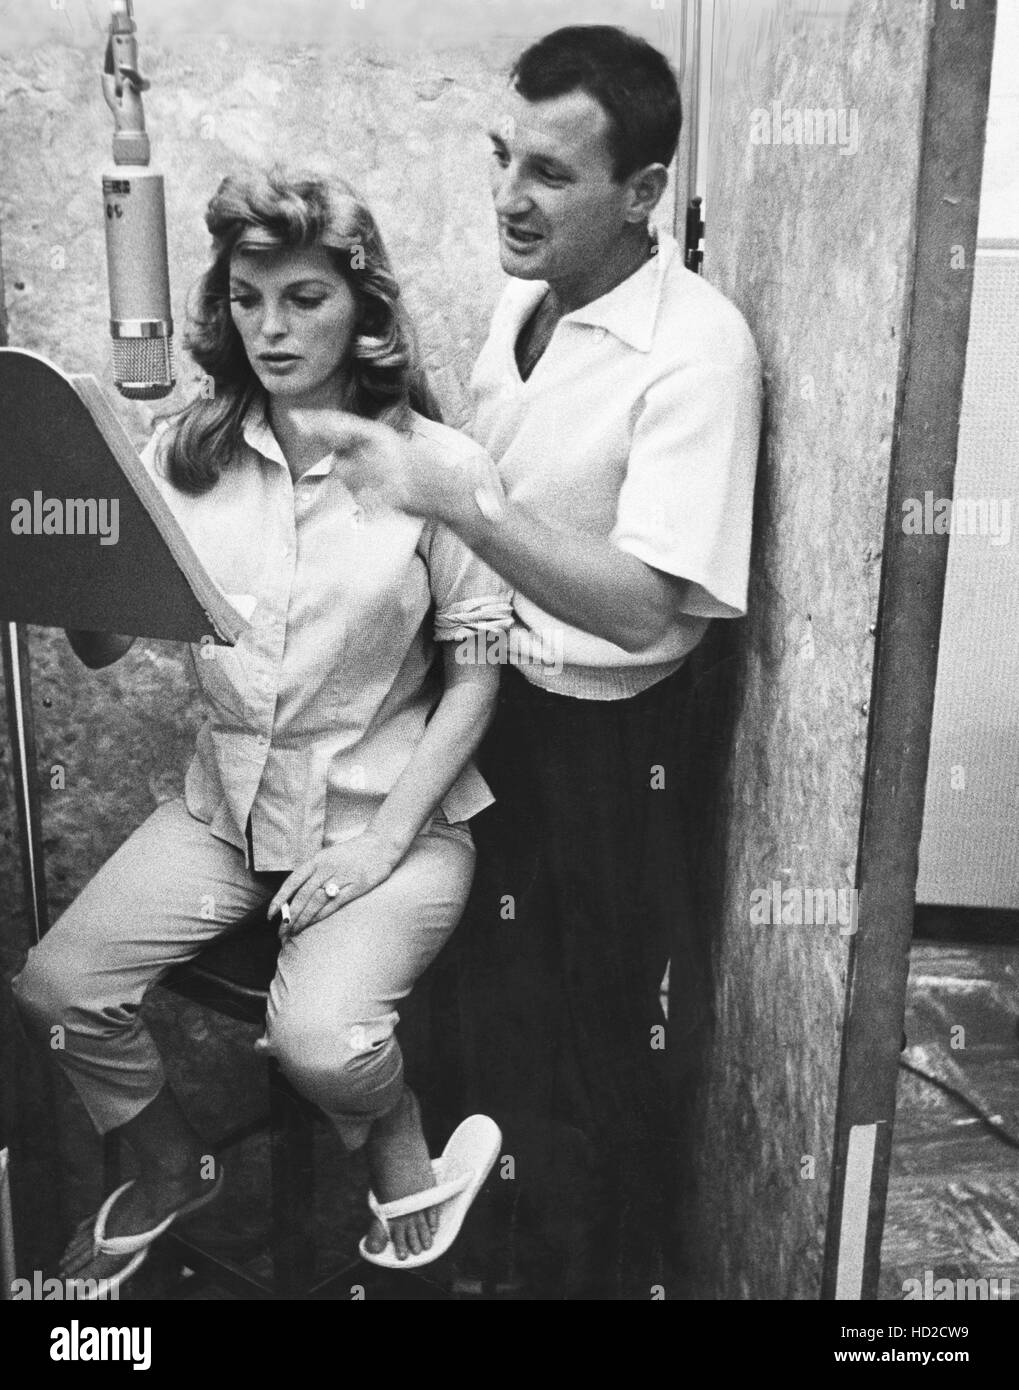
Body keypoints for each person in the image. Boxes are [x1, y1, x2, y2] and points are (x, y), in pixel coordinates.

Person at [12, 168, 511, 1291]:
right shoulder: (184, 457)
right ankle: (169, 1162)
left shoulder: (437, 465)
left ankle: (400, 1142)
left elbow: (478, 683)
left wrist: (380, 844)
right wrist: (58, 547)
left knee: (324, 1045)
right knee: (56, 986)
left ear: (363, 308)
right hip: (224, 809)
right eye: (248, 300)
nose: (272, 328)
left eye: (303, 298)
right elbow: (104, 647)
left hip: (395, 816)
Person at [324, 26, 763, 1297]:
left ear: (639, 194)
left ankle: (597, 1277)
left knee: (595, 1055)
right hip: (495, 708)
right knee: (474, 1031)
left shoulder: (696, 354)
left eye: (551, 173)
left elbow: (641, 612)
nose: (511, 197)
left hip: (613, 755)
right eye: (501, 157)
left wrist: (464, 507)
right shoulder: (528, 302)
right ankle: (484, 1269)